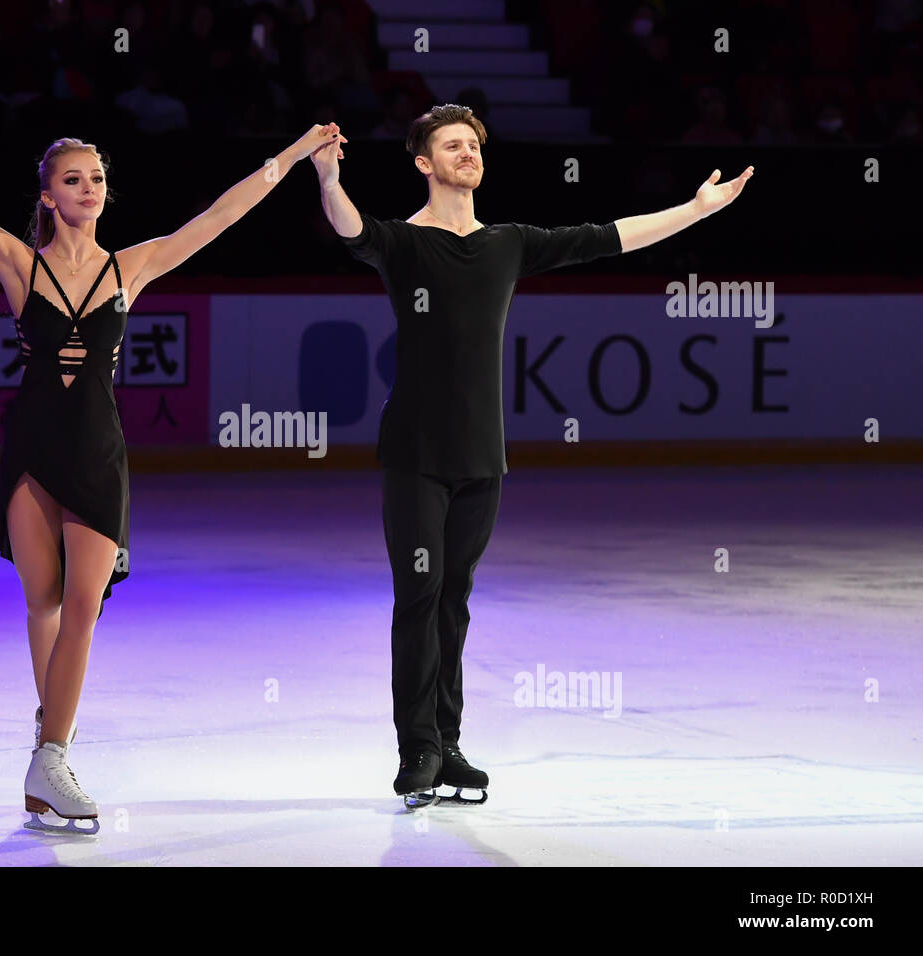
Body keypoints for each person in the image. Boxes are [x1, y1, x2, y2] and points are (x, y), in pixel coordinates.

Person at [0, 53, 345, 833]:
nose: (90, 188)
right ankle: (51, 747)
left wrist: (291, 156)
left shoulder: (132, 266)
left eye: (97, 178)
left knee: (84, 605)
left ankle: (50, 755)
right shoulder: (20, 265)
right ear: (48, 195)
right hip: (32, 449)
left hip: (98, 450)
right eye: (74, 179)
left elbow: (218, 217)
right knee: (43, 602)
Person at [311, 103, 753, 809]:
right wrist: (329, 178)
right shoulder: (403, 243)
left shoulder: (508, 243)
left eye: (473, 145)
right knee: (419, 597)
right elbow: (350, 230)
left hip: (483, 455)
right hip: (416, 454)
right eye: (452, 145)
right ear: (424, 163)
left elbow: (608, 237)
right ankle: (416, 748)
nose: (467, 153)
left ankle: (448, 743)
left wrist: (695, 211)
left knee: (454, 601)